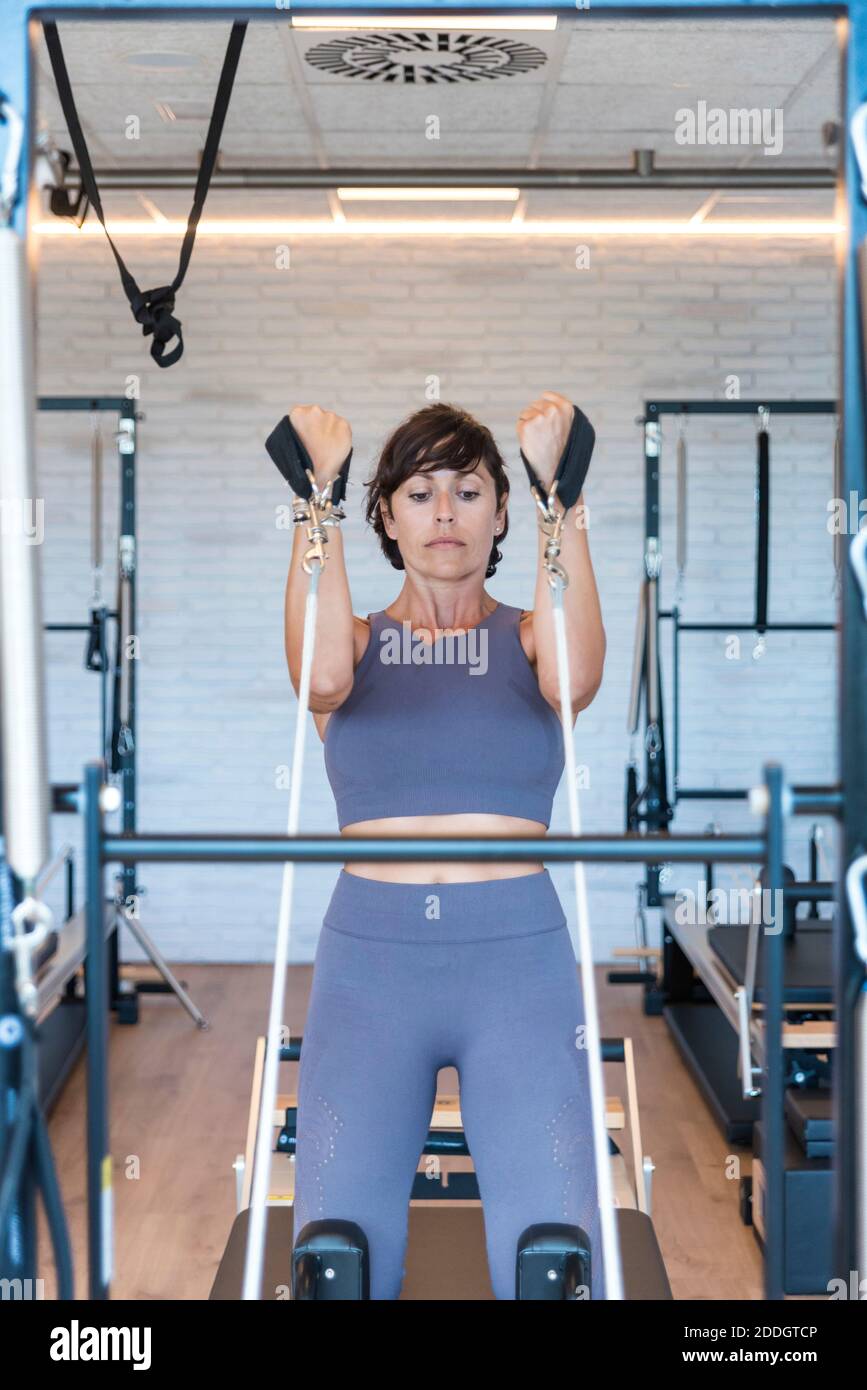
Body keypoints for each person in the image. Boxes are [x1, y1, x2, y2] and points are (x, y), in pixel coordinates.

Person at [284, 390, 606, 1300]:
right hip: (369, 969)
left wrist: (563, 493)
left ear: (501, 513)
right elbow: (317, 673)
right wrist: (317, 498)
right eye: (419, 493)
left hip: (519, 967)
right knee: (336, 1266)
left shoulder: (533, 638)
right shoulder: (352, 646)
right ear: (383, 514)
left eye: (468, 492)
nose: (444, 515)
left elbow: (578, 678)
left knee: (551, 1265)